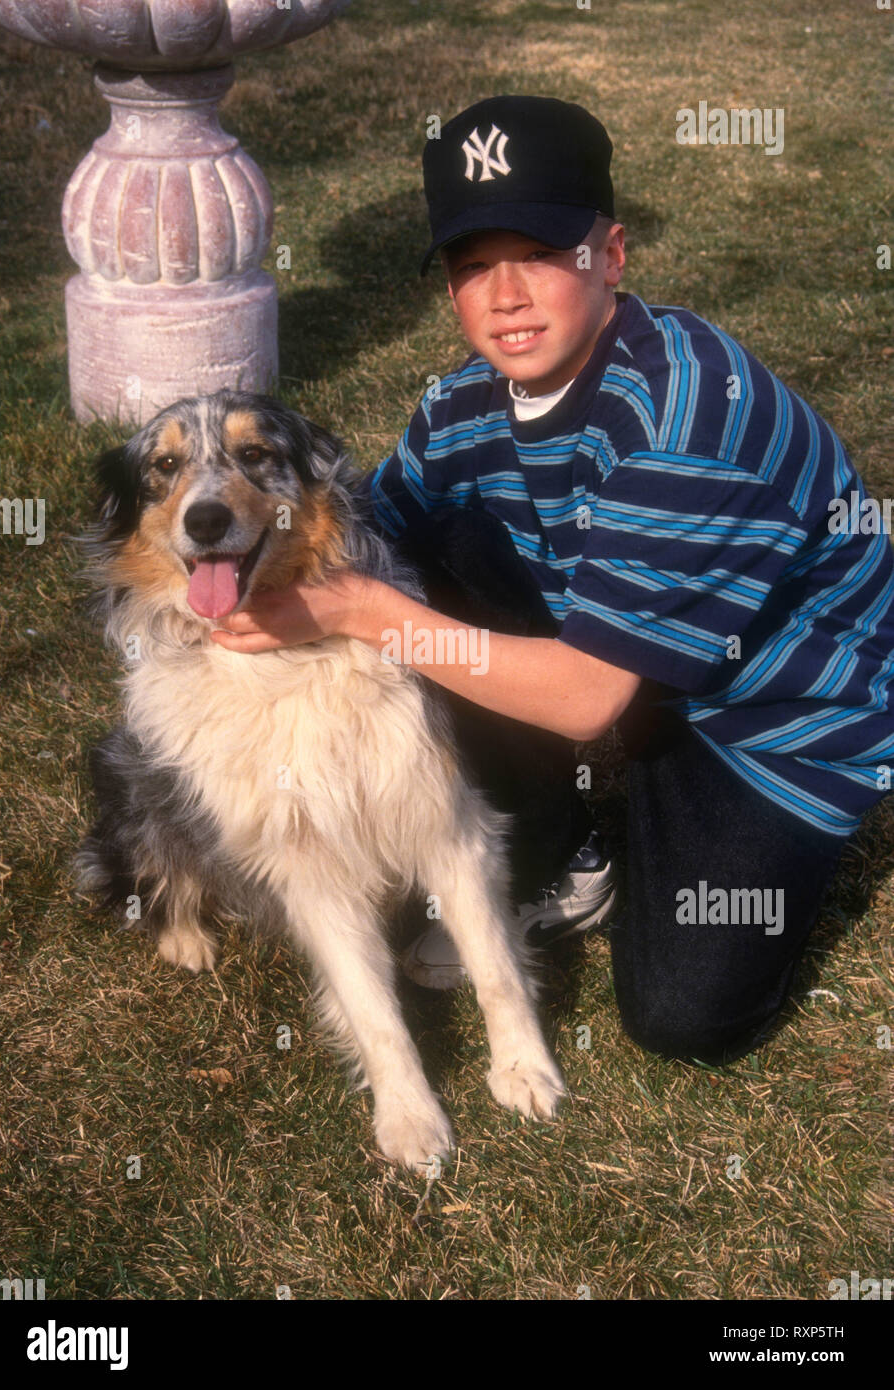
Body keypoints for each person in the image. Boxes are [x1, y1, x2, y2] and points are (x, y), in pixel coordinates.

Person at [212, 95, 894, 1067]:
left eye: (537, 253)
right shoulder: (459, 406)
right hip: (629, 666)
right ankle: (564, 849)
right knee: (431, 548)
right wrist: (243, 541)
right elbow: (367, 530)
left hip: (773, 720)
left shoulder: (682, 422)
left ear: (609, 256)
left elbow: (578, 698)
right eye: (470, 266)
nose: (504, 296)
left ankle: (685, 815)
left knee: (680, 1017)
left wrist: (355, 609)